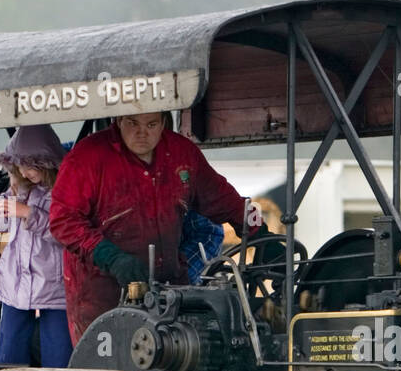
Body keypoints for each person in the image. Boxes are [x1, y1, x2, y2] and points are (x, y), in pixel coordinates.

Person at [50, 111, 264, 341]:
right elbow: (63, 219)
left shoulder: (183, 154)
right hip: (102, 297)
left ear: (164, 122)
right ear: (119, 121)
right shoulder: (87, 157)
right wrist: (110, 257)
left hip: (170, 292)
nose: (142, 132)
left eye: (151, 124)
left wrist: (260, 234)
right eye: (133, 123)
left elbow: (222, 199)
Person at [0, 125, 71, 367]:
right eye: (20, 165)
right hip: (15, 284)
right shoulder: (17, 193)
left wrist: (28, 214)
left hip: (54, 286)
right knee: (9, 351)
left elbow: (65, 230)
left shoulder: (62, 193)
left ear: (47, 161)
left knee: (59, 353)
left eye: (31, 164)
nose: (25, 171)